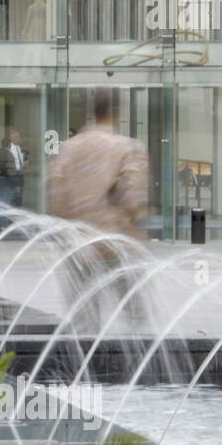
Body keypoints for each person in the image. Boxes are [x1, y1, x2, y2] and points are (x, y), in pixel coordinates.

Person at [46, 89, 149, 328]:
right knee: (136, 317)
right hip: (116, 243)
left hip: (78, 245)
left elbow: (57, 197)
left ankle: (86, 364)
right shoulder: (127, 148)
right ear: (116, 113)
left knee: (84, 322)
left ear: (92, 112)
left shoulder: (68, 148)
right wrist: (135, 224)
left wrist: (70, 228)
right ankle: (137, 363)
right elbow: (132, 197)